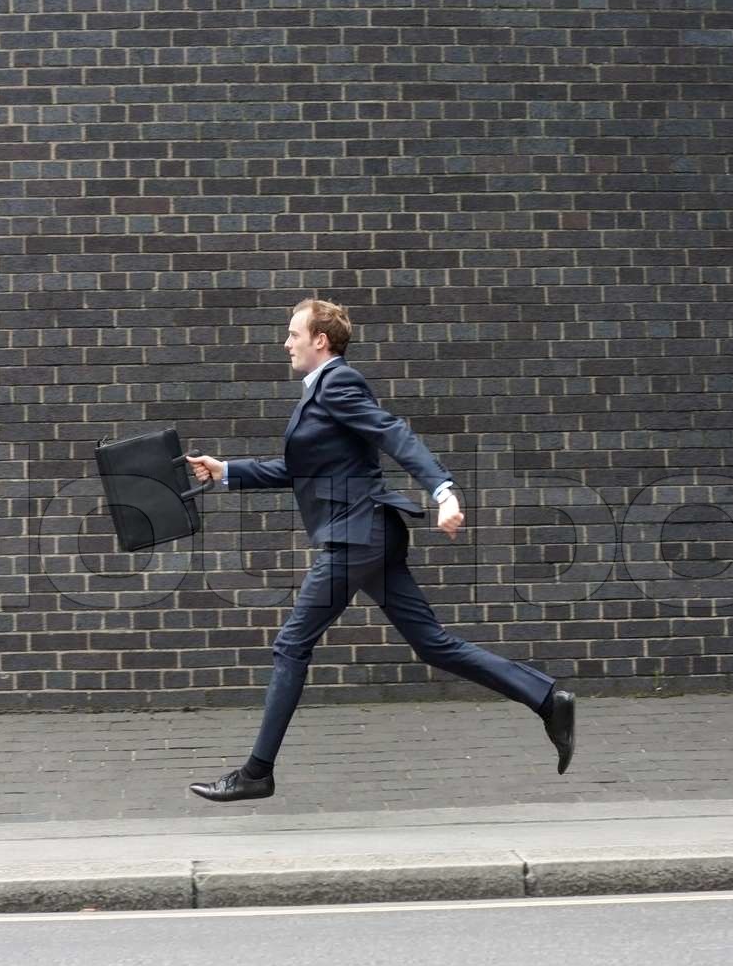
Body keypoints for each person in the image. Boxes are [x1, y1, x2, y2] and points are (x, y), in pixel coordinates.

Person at [183, 297, 576, 802]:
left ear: (319, 340)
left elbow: (393, 432)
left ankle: (257, 773)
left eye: (293, 334)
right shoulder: (320, 393)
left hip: (356, 536)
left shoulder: (338, 383)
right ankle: (547, 699)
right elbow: (302, 470)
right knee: (432, 643)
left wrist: (443, 491)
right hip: (371, 533)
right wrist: (227, 471)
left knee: (290, 645)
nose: (286, 344)